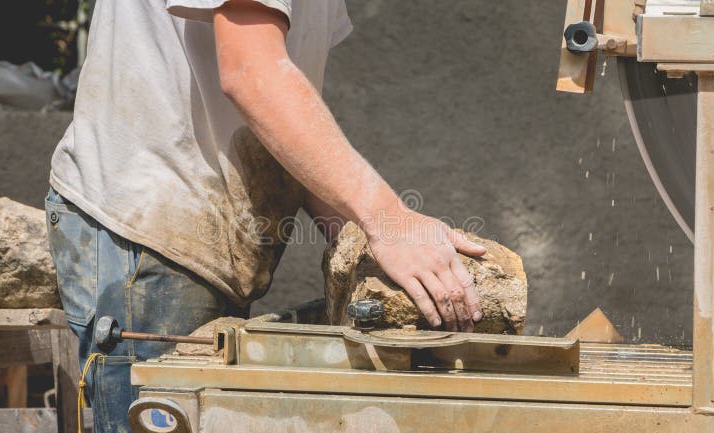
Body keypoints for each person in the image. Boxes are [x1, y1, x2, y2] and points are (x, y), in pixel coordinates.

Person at [45, 0, 487, 431]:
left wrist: (363, 241)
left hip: (198, 237)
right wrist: (388, 219)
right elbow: (252, 75)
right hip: (145, 236)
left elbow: (288, 120)